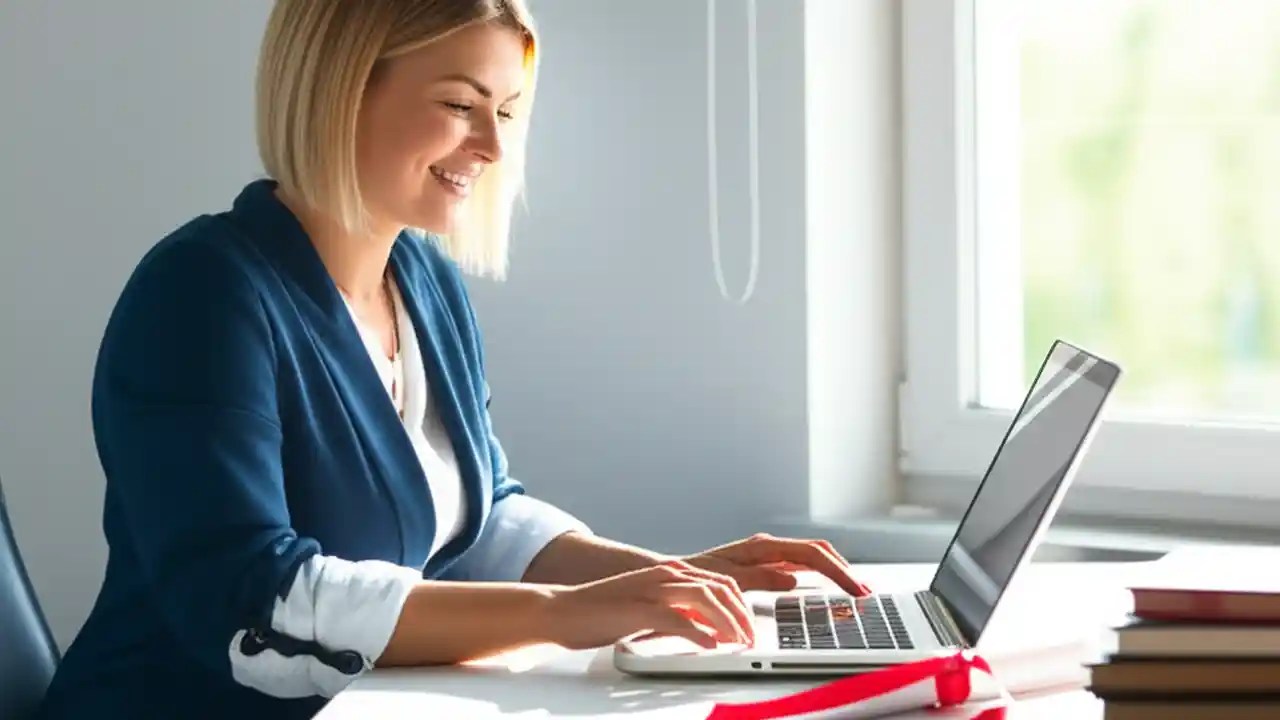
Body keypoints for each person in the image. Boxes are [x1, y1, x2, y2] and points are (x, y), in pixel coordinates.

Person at [36, 2, 870, 718]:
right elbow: (255, 597)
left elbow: (476, 522)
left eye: (505, 111)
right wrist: (566, 614)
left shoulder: (422, 279)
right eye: (459, 104)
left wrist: (668, 577)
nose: (492, 147)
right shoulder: (203, 295)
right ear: (342, 87)